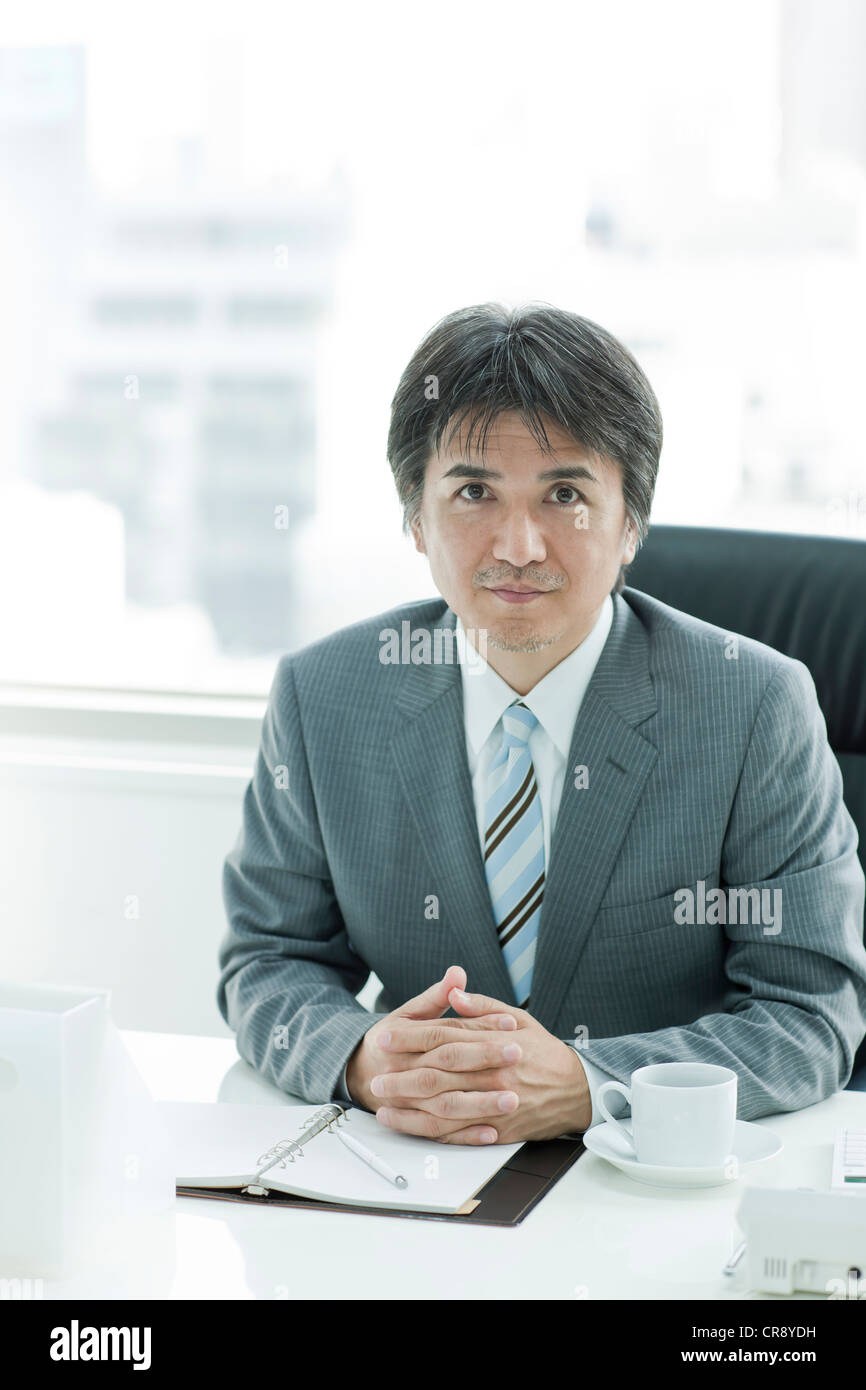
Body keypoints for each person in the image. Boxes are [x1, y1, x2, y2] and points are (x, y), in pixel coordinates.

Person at [217, 301, 866, 1145]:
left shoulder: (754, 708)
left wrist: (598, 1086)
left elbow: (809, 1015)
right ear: (415, 517)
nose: (518, 545)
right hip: (416, 1177)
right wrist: (362, 1058)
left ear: (630, 522)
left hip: (658, 1193)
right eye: (474, 492)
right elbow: (269, 961)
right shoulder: (324, 696)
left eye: (565, 493)